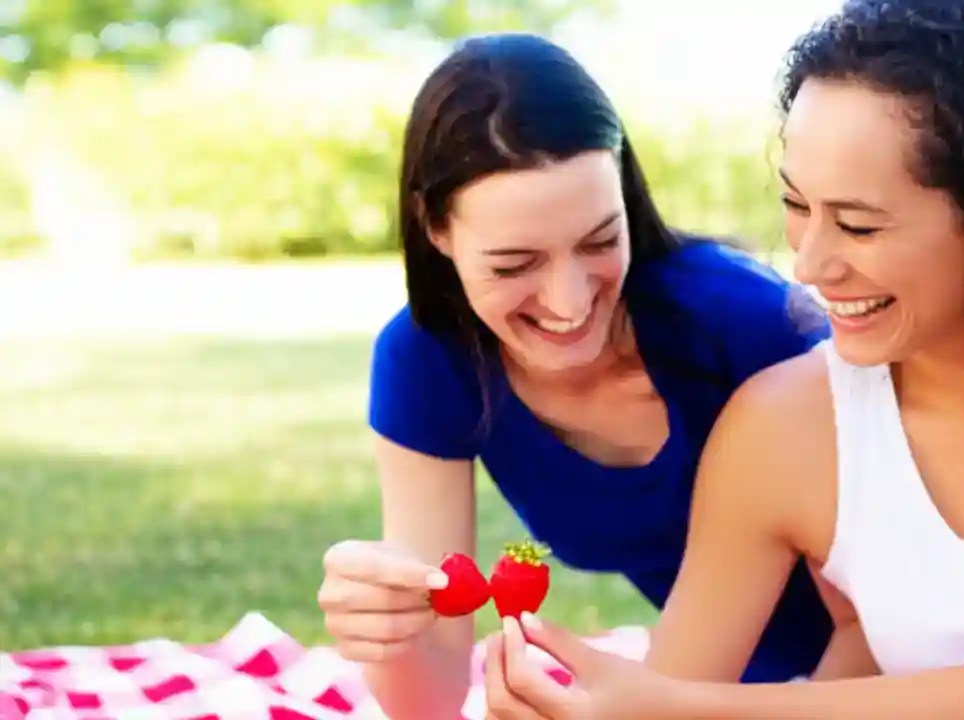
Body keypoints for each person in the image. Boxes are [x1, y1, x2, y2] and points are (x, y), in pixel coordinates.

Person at [484, 1, 964, 717]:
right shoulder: (781, 431)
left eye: (859, 226)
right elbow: (660, 690)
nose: (812, 263)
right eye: (798, 207)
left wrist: (671, 710)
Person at [314, 32, 847, 720]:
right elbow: (430, 700)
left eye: (600, 241)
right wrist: (389, 633)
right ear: (435, 229)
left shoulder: (749, 328)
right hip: (710, 689)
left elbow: (888, 612)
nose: (569, 304)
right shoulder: (428, 362)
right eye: (514, 264)